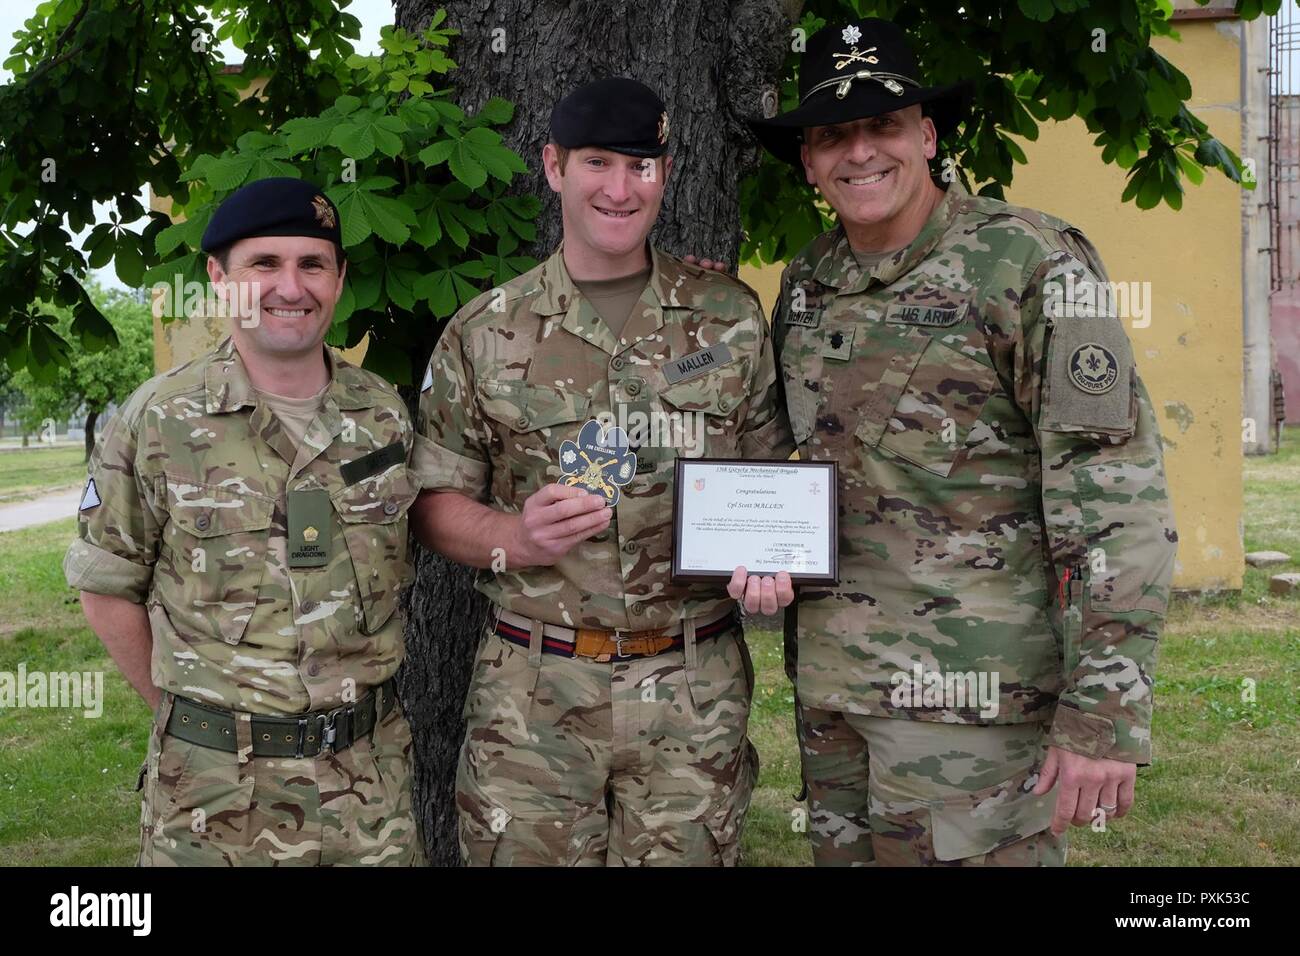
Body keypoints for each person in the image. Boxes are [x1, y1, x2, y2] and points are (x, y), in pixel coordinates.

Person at [747, 18, 1178, 865]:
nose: (859, 153)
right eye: (833, 134)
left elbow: (1113, 494)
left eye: (883, 126)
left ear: (928, 135)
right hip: (836, 697)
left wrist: (1104, 709)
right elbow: (791, 469)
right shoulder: (810, 281)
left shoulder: (1028, 263)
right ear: (807, 160)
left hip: (975, 704)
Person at [409, 77, 795, 865]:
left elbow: (772, 473)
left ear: (667, 173)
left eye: (641, 166)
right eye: (597, 163)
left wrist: (776, 559)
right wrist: (513, 536)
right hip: (534, 694)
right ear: (553, 166)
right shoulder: (485, 332)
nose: (620, 189)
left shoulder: (728, 316)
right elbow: (433, 501)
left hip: (693, 688)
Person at [64, 177, 423, 866]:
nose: (291, 286)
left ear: (340, 278)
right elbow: (107, 586)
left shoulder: (383, 414)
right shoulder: (158, 419)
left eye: (312, 264)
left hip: (369, 794)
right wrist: (194, 721)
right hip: (215, 800)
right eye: (265, 264)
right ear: (219, 278)